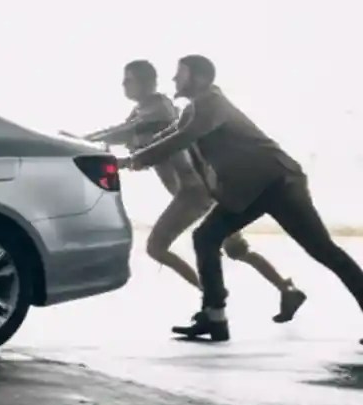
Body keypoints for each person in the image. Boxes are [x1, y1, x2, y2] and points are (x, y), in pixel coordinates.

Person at [122, 54, 363, 344]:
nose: (174, 79)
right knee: (206, 237)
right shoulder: (193, 110)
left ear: (198, 78)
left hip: (278, 183)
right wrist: (128, 160)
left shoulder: (211, 103)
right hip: (250, 190)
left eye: (180, 74)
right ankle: (214, 317)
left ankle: (216, 315)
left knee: (324, 251)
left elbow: (182, 138)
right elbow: (171, 134)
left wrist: (135, 160)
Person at [77, 60, 304, 330]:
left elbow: (125, 133)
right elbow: (117, 131)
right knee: (235, 249)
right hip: (201, 191)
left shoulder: (159, 109)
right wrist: (83, 140)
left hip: (193, 192)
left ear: (146, 82)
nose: (124, 86)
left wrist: (82, 141)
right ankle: (286, 290)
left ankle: (211, 300)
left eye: (129, 80)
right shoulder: (142, 111)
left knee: (156, 248)